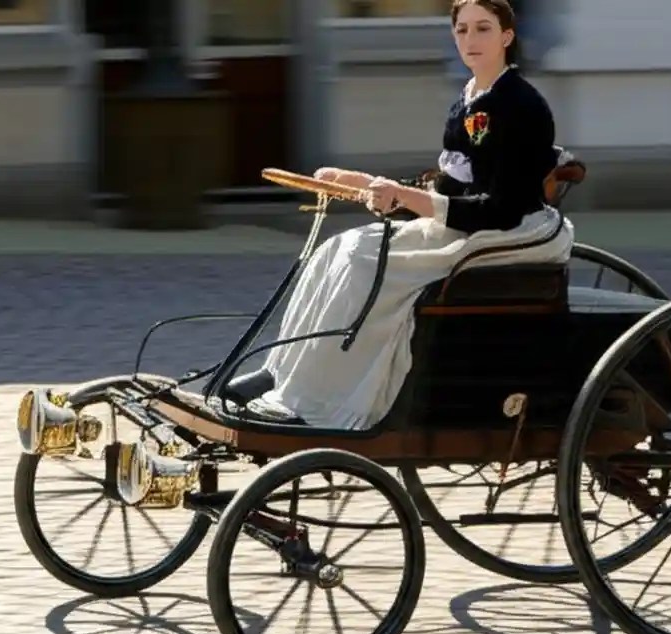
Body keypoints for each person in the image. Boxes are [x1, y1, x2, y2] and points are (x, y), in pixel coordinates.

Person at [222, 0, 574, 430]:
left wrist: (406, 196)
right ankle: (283, 373)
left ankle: (324, 401)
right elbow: (448, 183)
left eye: (483, 29)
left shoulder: (522, 106)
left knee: (369, 264)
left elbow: (501, 207)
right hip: (469, 221)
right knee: (338, 248)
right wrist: (367, 182)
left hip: (512, 231)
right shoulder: (466, 101)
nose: (470, 39)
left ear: (507, 37)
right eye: (461, 30)